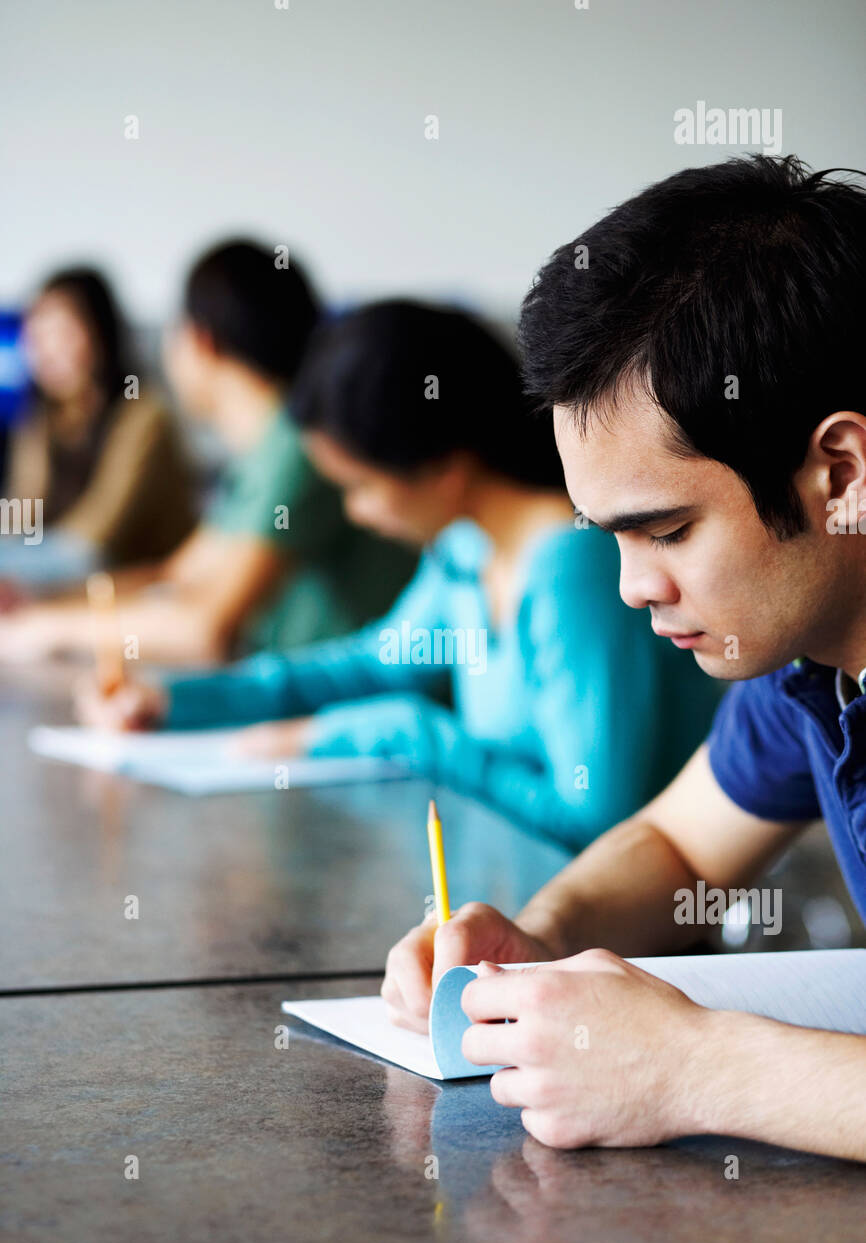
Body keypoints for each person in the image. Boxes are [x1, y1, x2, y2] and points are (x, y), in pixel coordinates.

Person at [380, 155, 866, 1162]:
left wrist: (692, 1067)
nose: (628, 588)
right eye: (605, 535)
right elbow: (681, 848)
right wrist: (538, 938)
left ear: (838, 473)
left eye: (665, 530)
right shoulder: (802, 663)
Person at [75, 300, 720, 850]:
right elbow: (371, 664)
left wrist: (405, 733)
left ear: (443, 468)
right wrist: (174, 702)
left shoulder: (570, 567)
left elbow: (594, 826)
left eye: (359, 486)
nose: (357, 513)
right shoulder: (466, 551)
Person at [0, 243, 413, 665]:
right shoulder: (266, 451)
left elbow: (204, 630)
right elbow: (177, 577)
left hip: (338, 707)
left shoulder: (298, 450)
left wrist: (42, 629)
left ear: (201, 340)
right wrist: (34, 607)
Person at [0, 267, 194, 591]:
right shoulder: (42, 416)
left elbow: (92, 543)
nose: (48, 352)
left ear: (99, 332)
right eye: (38, 337)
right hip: (75, 593)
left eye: (63, 333)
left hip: (145, 595)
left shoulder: (144, 415)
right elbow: (22, 512)